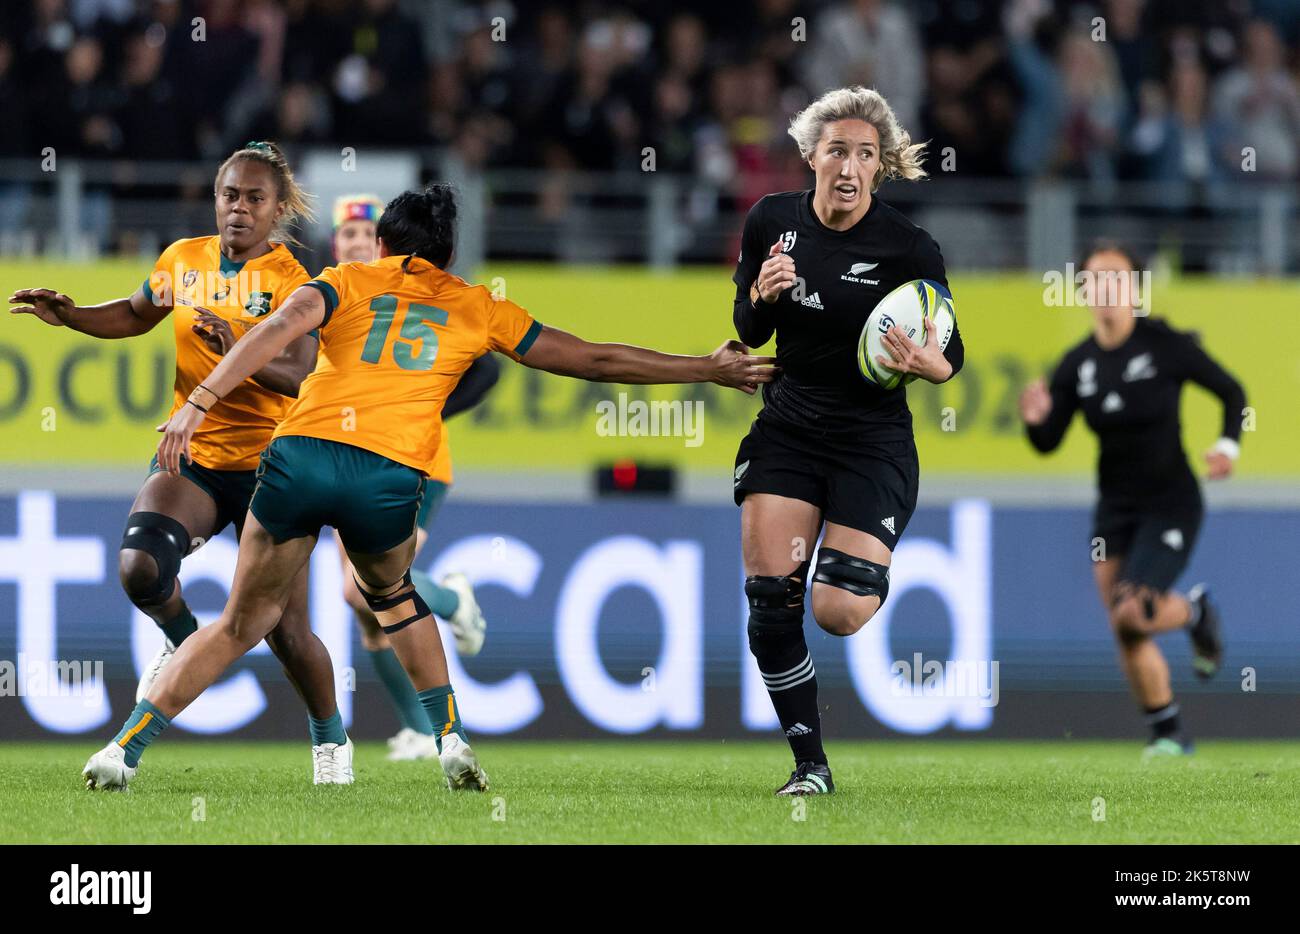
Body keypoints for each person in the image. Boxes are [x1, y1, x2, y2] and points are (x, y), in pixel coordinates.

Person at [82, 183, 776, 791]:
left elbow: (275, 332)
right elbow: (593, 358)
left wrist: (199, 399)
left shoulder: (343, 282)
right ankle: (450, 739)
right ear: (447, 253)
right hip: (386, 473)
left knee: (242, 622)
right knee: (395, 600)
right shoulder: (478, 306)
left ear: (381, 242)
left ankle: (125, 750)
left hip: (299, 455)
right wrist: (704, 368)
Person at [10, 141, 354, 784]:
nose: (240, 209)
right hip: (194, 456)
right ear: (215, 198)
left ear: (279, 209)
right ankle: (182, 640)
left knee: (286, 632)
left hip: (273, 469)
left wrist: (240, 353)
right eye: (230, 195)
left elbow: (301, 374)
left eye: (255, 199)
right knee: (140, 568)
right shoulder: (184, 260)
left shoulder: (291, 281)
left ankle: (331, 741)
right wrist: (74, 316)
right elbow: (138, 313)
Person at [731, 86, 965, 796]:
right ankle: (810, 766)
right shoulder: (770, 221)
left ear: (880, 167)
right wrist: (761, 297)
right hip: (791, 429)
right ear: (810, 156)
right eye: (837, 150)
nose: (849, 166)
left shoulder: (909, 248)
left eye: (865, 154)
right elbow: (748, 332)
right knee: (772, 601)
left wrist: (932, 365)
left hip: (872, 439)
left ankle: (863, 553)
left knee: (836, 611)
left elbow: (953, 352)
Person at [1019, 242, 1246, 756]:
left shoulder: (1164, 344)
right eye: (1094, 280)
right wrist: (1034, 421)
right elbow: (1049, 441)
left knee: (1131, 612)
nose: (1104, 289)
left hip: (1171, 502)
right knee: (1126, 628)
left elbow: (1231, 392)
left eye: (1115, 279)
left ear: (1134, 289)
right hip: (1115, 510)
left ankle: (1195, 612)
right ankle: (1167, 734)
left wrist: (1228, 445)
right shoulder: (1078, 364)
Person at [331, 194, 498, 761]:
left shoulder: (424, 295)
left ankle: (453, 600)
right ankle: (418, 731)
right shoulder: (342, 289)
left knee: (362, 587)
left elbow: (488, 366)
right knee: (368, 612)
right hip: (352, 457)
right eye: (346, 236)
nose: (355, 245)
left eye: (363, 236)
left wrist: (424, 408)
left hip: (415, 459)